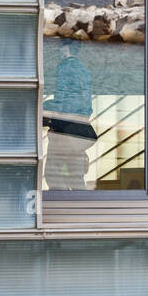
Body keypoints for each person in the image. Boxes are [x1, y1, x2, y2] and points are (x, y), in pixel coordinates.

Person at [43, 40, 96, 190]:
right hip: (80, 129)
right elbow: (84, 102)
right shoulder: (83, 70)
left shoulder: (65, 67)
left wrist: (43, 107)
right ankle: (81, 207)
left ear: (66, 48)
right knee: (76, 177)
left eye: (61, 46)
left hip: (64, 129)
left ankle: (59, 203)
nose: (59, 49)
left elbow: (62, 101)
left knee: (52, 174)